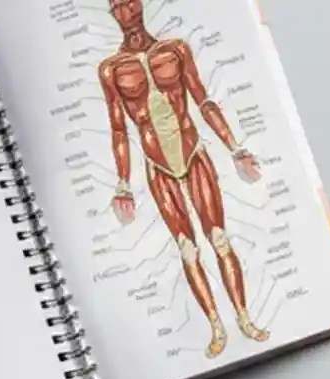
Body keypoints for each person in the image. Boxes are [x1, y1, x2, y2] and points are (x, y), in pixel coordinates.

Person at [99, 0, 270, 358]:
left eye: (130, 2)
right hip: (157, 165)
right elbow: (118, 128)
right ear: (112, 12)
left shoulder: (175, 49)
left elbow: (203, 101)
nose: (127, 12)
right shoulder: (111, 69)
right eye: (117, 5)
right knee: (187, 249)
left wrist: (235, 148)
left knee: (219, 239)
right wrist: (123, 184)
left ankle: (244, 318)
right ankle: (217, 328)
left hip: (194, 155)